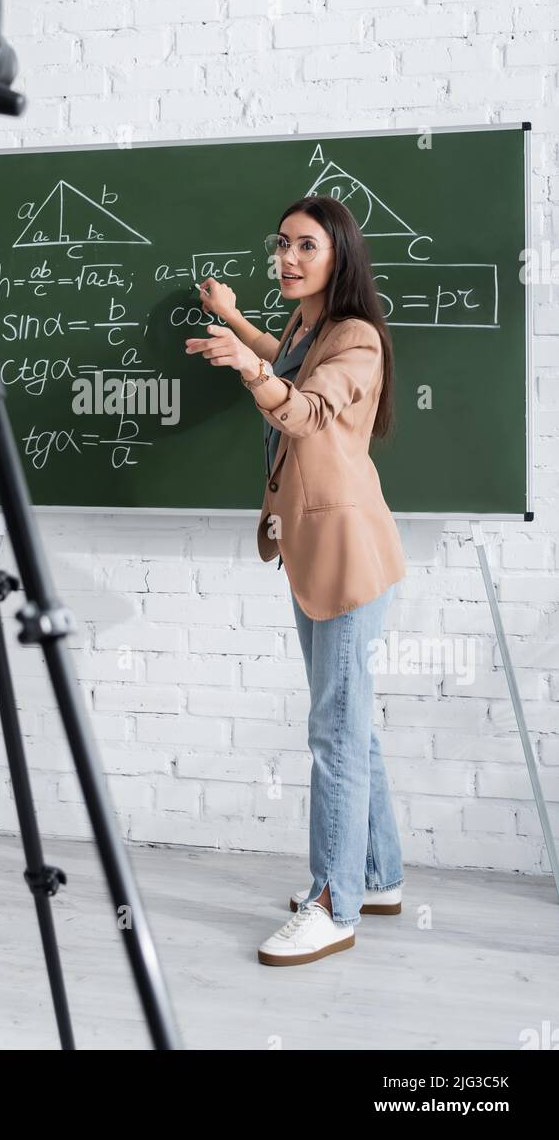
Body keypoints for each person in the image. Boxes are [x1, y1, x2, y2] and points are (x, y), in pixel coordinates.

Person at [186, 194, 407, 967]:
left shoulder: (355, 339)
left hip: (346, 557)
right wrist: (241, 324)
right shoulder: (304, 327)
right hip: (313, 546)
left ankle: (332, 904)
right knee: (349, 725)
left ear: (338, 257)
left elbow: (306, 409)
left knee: (334, 734)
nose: (286, 257)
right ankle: (375, 877)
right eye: (280, 243)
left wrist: (250, 366)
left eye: (305, 246)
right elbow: (283, 365)